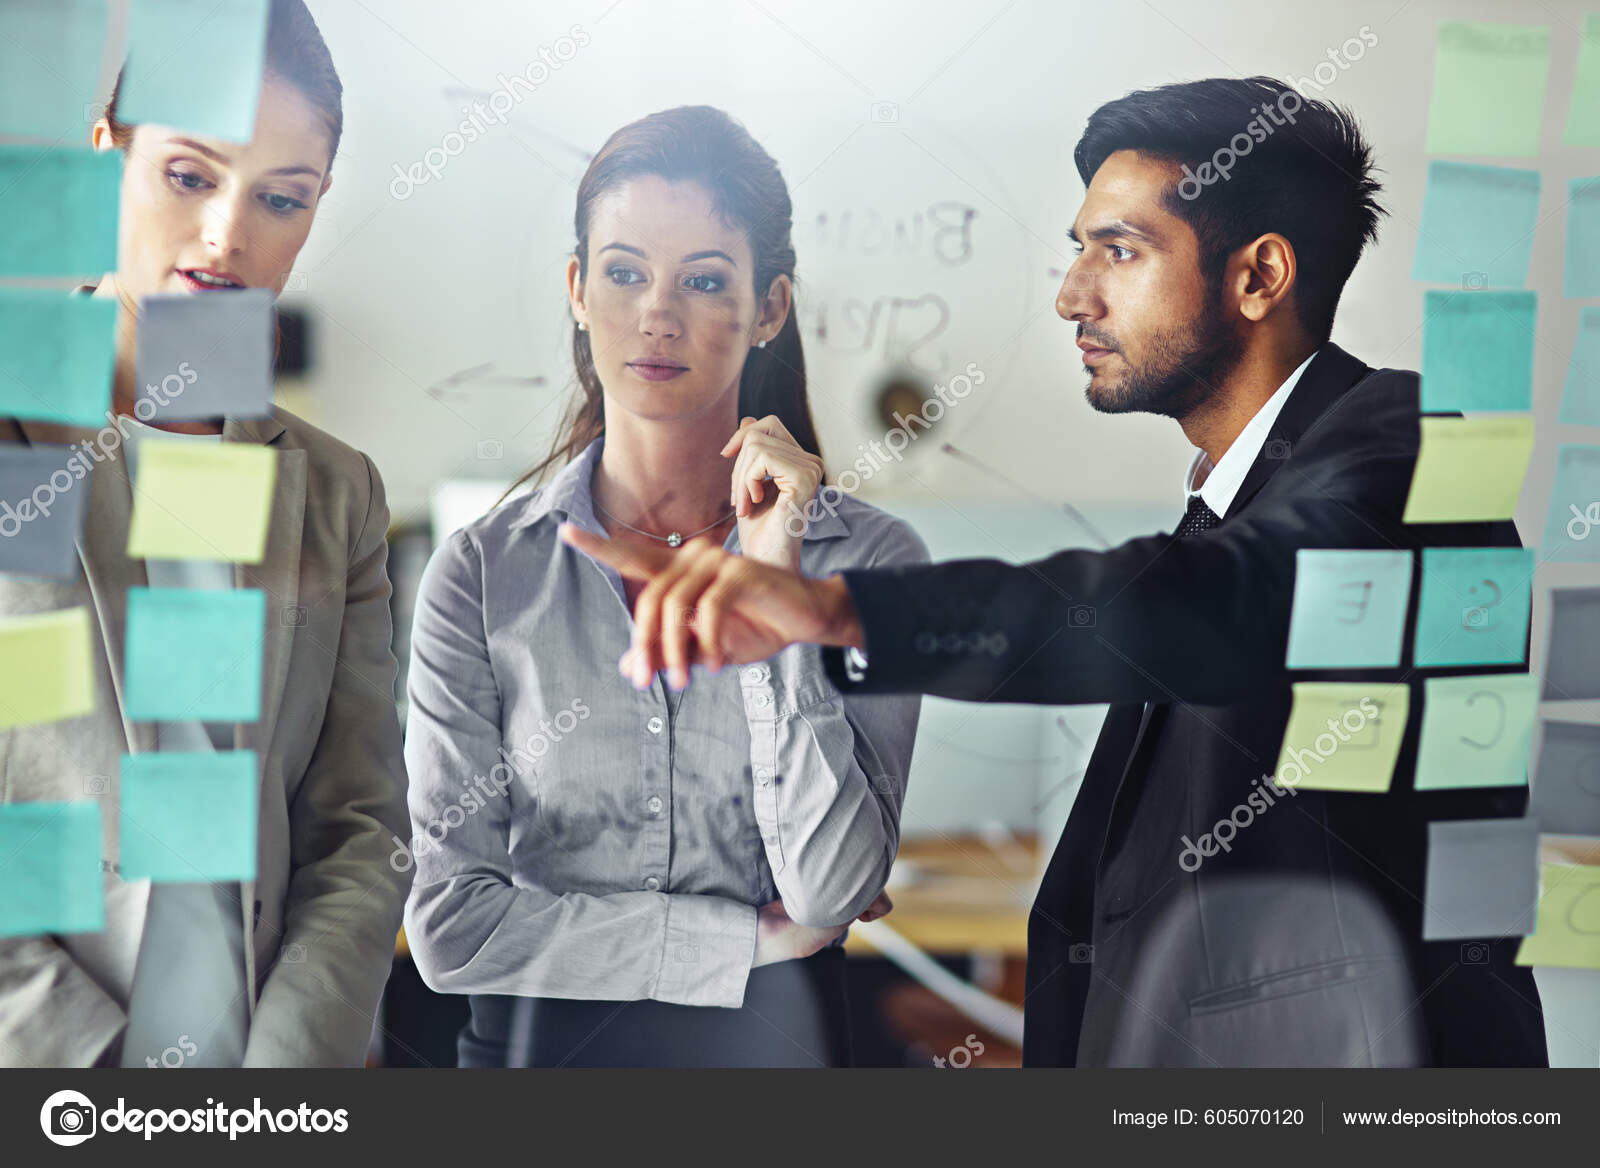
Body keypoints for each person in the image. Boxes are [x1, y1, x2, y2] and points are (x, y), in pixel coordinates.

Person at [561, 78, 1550, 1068]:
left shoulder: (1401, 454)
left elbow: (1223, 604)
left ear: (1257, 278)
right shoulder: (1230, 504)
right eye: (1080, 250)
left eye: (1118, 249)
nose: (1072, 293)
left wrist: (837, 607)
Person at [401, 106, 926, 1067]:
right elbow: (452, 928)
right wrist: (743, 944)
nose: (658, 314)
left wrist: (773, 589)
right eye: (625, 272)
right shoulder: (483, 576)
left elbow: (830, 891)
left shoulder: (874, 565)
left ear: (769, 309)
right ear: (577, 288)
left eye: (705, 281)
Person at [0, 0, 410, 1067]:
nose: (231, 235)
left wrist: (276, 1080)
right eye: (191, 176)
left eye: (281, 198)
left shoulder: (336, 493)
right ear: (110, 158)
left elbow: (359, 831)